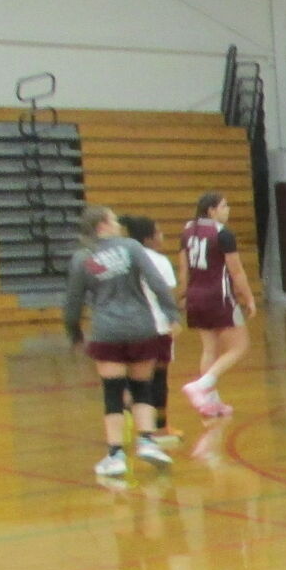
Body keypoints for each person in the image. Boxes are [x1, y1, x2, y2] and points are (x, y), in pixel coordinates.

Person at [62, 204, 177, 479]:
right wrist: (171, 313)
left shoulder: (82, 258)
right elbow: (157, 283)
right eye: (113, 220)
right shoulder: (131, 247)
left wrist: (74, 332)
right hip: (141, 327)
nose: (118, 224)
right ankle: (147, 441)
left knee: (113, 393)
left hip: (107, 331)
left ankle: (115, 455)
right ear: (102, 224)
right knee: (142, 388)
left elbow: (73, 301)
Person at [177, 191, 256, 419]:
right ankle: (202, 385)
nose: (228, 209)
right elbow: (237, 271)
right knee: (240, 346)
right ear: (211, 210)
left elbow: (183, 270)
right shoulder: (222, 234)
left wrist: (182, 295)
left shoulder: (187, 231)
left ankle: (210, 403)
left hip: (195, 295)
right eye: (224, 206)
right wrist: (248, 298)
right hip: (218, 297)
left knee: (209, 348)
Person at [119, 215, 182, 447]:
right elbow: (167, 294)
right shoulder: (159, 261)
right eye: (159, 232)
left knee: (134, 376)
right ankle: (160, 428)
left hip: (129, 326)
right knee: (158, 378)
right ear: (148, 238)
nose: (162, 236)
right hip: (157, 326)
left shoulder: (122, 260)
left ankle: (127, 416)